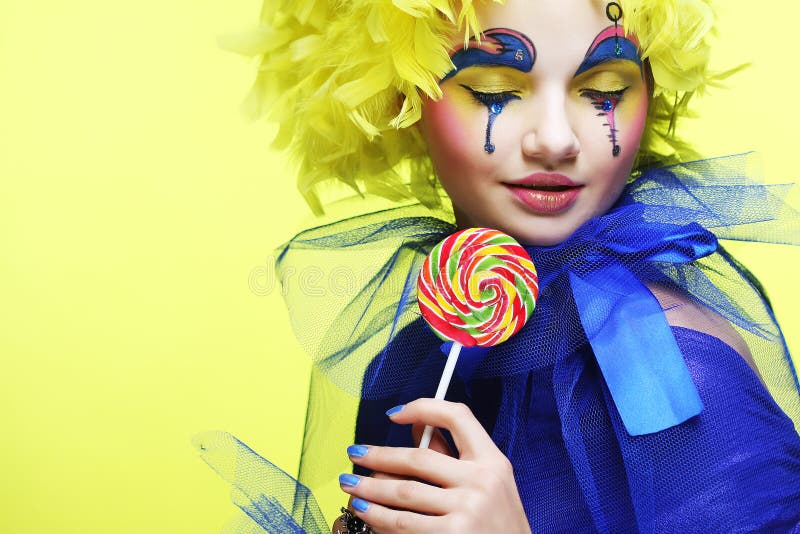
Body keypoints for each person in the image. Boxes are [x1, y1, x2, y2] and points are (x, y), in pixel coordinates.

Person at [196, 0, 800, 532]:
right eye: (494, 92)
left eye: (604, 92)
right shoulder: (417, 359)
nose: (556, 140)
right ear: (400, 98)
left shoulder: (670, 366)